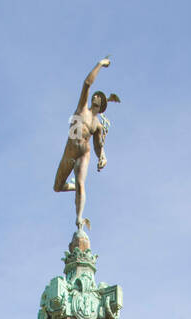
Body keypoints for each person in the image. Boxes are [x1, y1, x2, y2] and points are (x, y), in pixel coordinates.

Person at [53, 56, 120, 230]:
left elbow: (98, 146)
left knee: (82, 183)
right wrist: (100, 64)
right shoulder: (82, 108)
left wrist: (102, 157)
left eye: (98, 97)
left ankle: (79, 218)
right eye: (96, 95)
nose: (95, 96)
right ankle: (73, 187)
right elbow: (87, 83)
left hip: (84, 151)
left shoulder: (97, 124)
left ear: (102, 103)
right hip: (70, 151)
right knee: (57, 187)